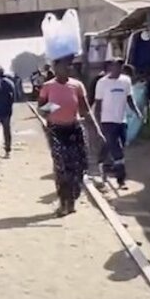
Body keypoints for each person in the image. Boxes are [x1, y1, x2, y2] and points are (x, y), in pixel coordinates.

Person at [38, 55, 103, 216]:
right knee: (62, 168)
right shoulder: (47, 87)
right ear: (55, 67)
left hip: (74, 129)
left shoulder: (77, 85)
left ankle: (72, 200)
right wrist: (53, 107)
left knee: (78, 167)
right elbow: (41, 110)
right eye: (64, 65)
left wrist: (97, 130)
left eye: (69, 66)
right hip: (56, 131)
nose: (68, 68)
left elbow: (85, 110)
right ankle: (63, 203)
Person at [93, 58, 142, 187]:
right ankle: (121, 179)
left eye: (120, 67)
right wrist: (97, 123)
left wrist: (137, 112)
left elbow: (129, 98)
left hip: (122, 120)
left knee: (114, 145)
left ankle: (101, 162)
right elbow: (98, 104)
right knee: (117, 150)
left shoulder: (126, 81)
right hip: (107, 120)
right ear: (110, 68)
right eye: (115, 67)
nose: (118, 70)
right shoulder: (102, 83)